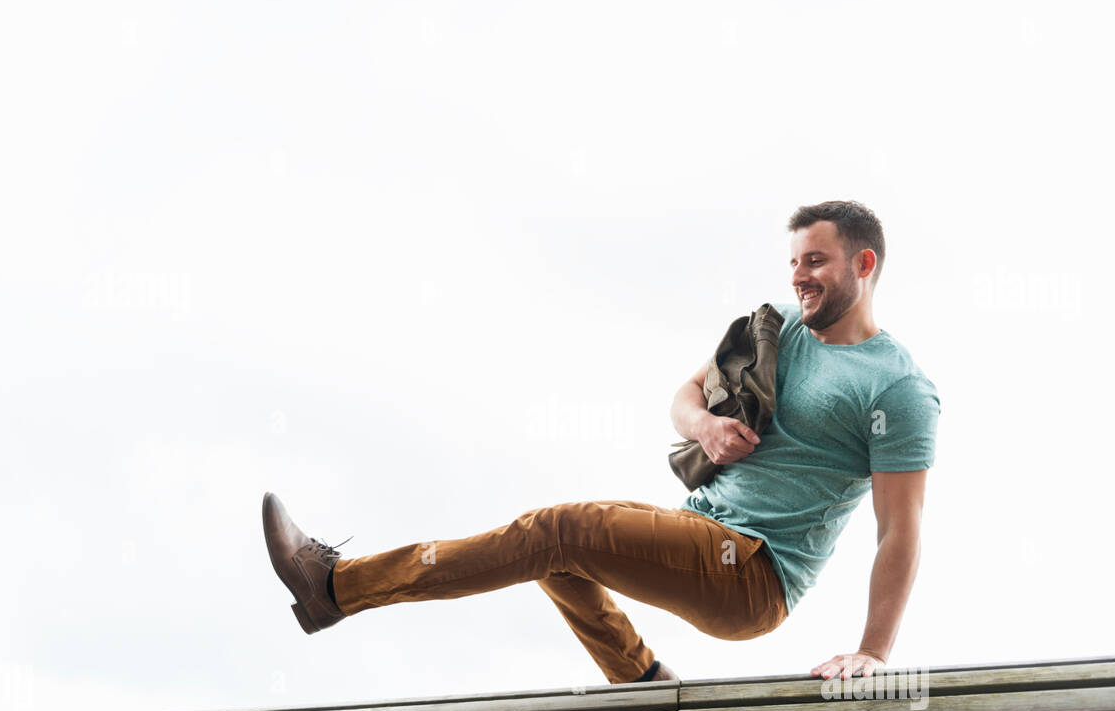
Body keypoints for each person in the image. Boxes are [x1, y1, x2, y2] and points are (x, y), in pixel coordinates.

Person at [263, 200, 939, 685]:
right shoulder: (783, 326)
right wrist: (706, 426)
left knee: (558, 530)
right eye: (793, 261)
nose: (798, 275)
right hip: (701, 526)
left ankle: (337, 586)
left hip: (755, 575)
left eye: (815, 261)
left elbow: (898, 532)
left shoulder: (896, 387)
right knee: (553, 554)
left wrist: (873, 651)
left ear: (865, 263)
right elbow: (684, 400)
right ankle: (644, 684)